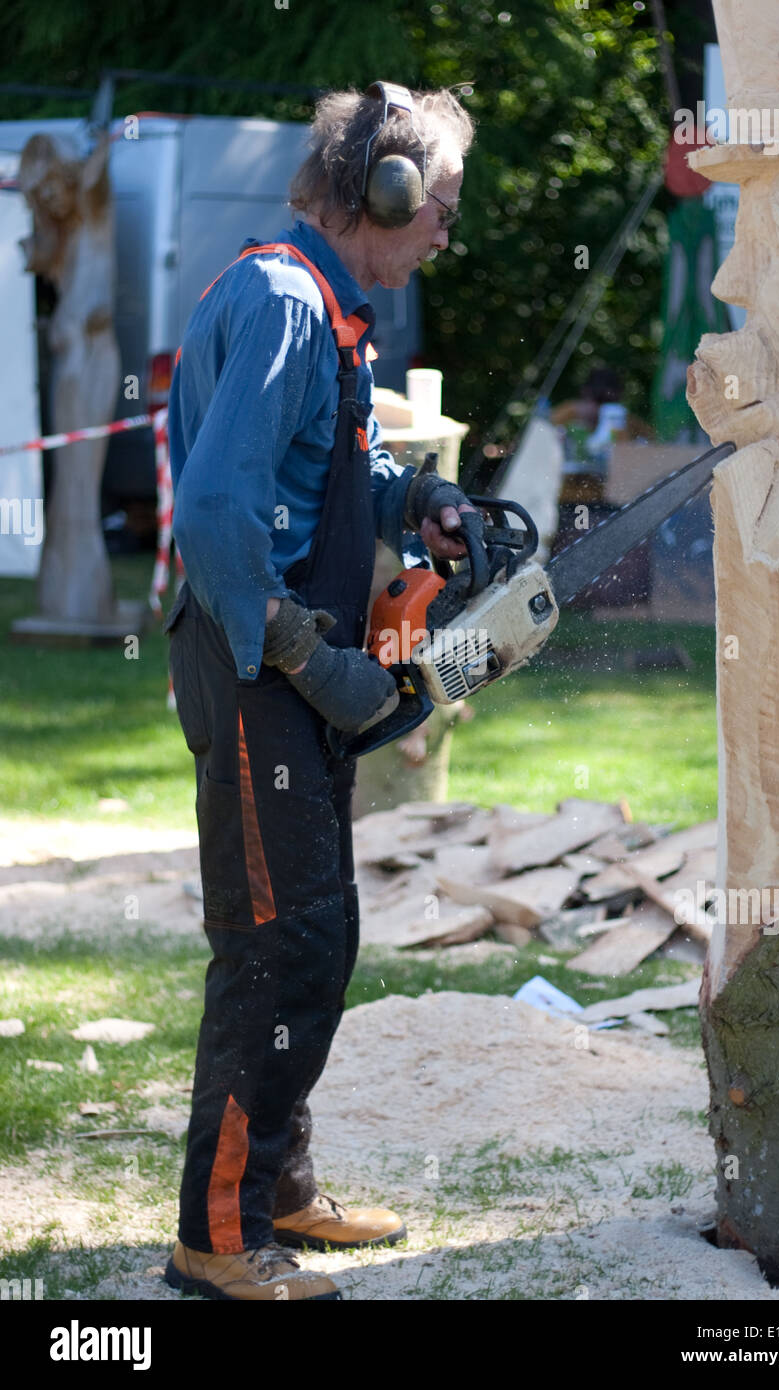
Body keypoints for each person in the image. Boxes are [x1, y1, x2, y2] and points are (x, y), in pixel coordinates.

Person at [162, 82, 475, 1302]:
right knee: (270, 945)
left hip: (291, 669)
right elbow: (219, 515)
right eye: (438, 207)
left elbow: (340, 457)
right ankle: (216, 1233)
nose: (444, 230)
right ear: (383, 194)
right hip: (254, 668)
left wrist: (418, 503)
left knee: (320, 933)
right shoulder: (287, 303)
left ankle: (279, 1183)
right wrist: (313, 659)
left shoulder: (332, 310)